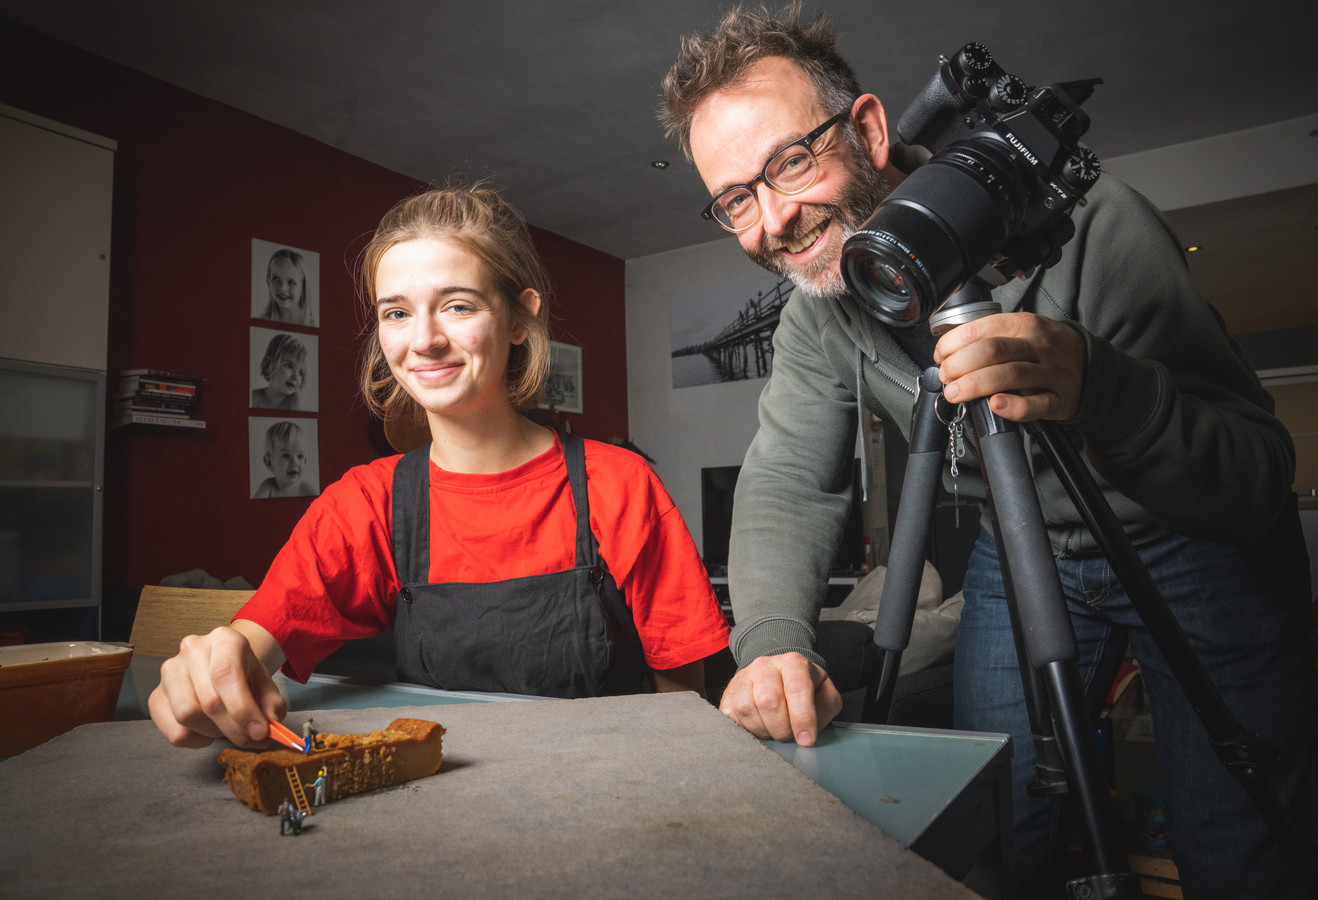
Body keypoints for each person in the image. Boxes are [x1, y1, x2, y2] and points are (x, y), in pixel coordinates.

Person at [660, 5, 1315, 898]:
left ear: (868, 130)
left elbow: (1256, 478)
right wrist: (772, 641)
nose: (773, 220)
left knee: (1235, 844)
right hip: (1022, 547)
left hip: (1196, 545)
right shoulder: (819, 308)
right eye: (737, 197)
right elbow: (787, 478)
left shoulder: (1096, 224)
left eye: (790, 162)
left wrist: (1100, 387)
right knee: (992, 824)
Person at [151, 183, 729, 748]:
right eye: (396, 313)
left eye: (457, 306)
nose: (423, 340)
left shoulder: (620, 484)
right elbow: (258, 639)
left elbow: (681, 705)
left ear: (521, 318)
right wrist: (216, 663)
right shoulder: (366, 503)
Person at [253, 421, 317, 498]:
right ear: (269, 463)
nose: (294, 462)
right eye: (286, 456)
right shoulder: (268, 487)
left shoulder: (306, 489)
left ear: (305, 461)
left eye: (300, 456)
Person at [251, 333, 308, 410]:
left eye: (301, 372)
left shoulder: (295, 400)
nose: (296, 377)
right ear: (268, 364)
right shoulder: (254, 397)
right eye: (289, 366)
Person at [258, 248, 314, 326]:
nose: (282, 288)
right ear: (269, 280)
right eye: (276, 278)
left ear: (303, 288)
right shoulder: (264, 319)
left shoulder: (310, 323)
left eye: (291, 282)